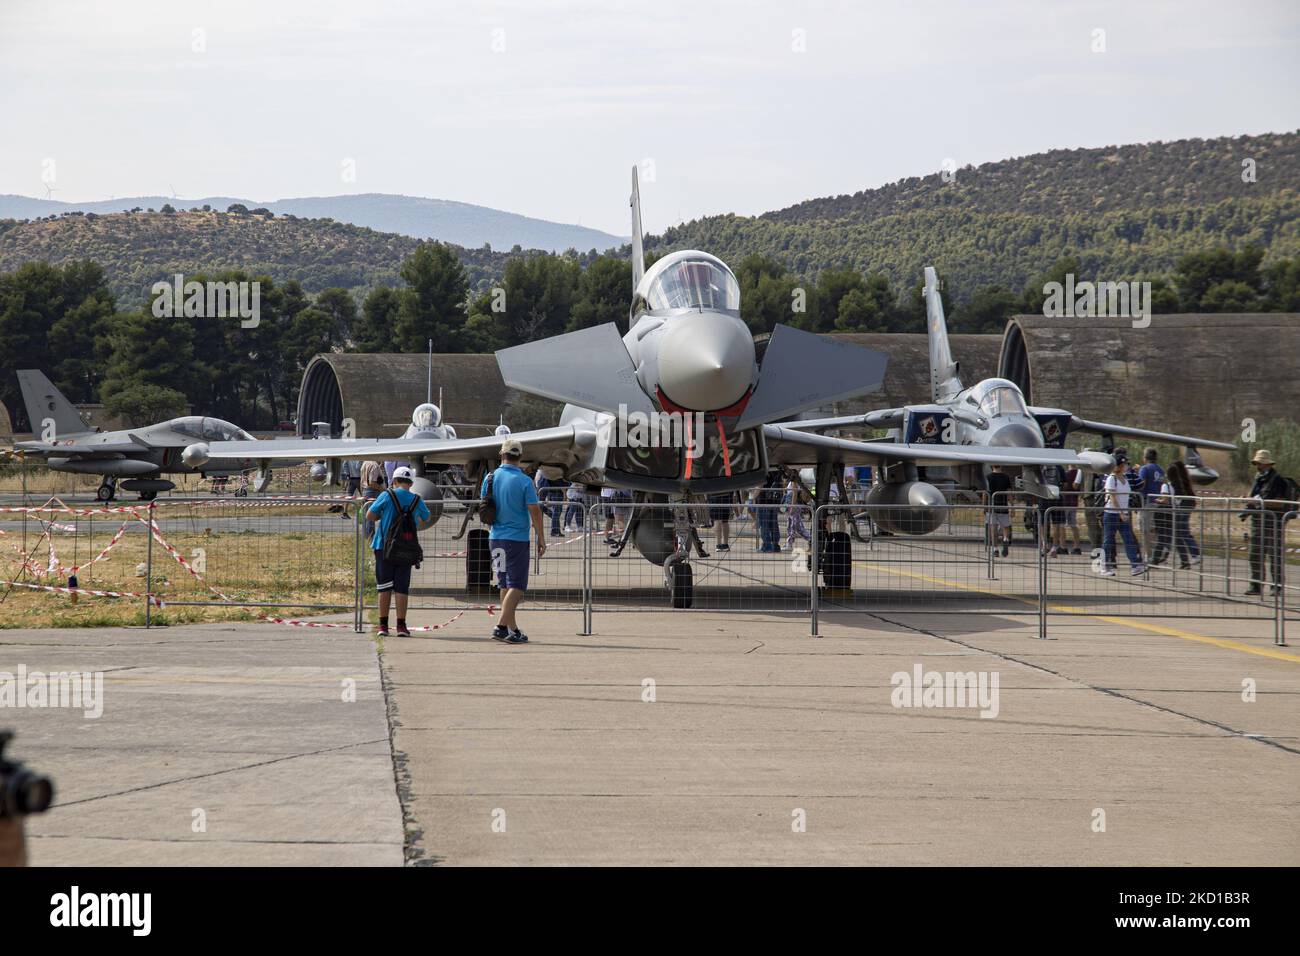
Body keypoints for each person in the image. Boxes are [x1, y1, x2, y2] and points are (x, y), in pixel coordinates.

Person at [480, 438, 546, 643]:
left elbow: (484, 504)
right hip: (516, 539)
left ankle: (512, 629)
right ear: (520, 457)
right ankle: (500, 627)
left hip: (495, 537)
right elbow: (534, 511)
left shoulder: (489, 478)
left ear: (502, 455)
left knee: (504, 584)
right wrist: (541, 537)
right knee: (517, 585)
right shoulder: (525, 481)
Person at [366, 466, 434, 637]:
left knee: (384, 587)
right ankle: (401, 626)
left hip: (383, 546)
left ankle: (383, 626)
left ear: (394, 481)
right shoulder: (416, 500)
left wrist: (384, 516)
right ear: (411, 483)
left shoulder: (386, 495)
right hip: (406, 548)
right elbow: (426, 517)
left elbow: (370, 515)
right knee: (402, 588)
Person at [1243, 449, 1289, 596]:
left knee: (1275, 555)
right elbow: (1253, 496)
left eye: (1260, 463)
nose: (1258, 466)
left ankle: (1277, 586)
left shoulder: (1279, 481)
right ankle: (1256, 586)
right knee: (1255, 554)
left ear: (1268, 464)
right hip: (1258, 522)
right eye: (1257, 463)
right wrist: (1249, 501)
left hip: (1273, 522)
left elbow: (1281, 503)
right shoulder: (1258, 479)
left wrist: (1261, 503)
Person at [1099, 451, 1146, 577]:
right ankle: (1104, 565)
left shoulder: (1125, 478)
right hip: (1111, 513)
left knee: (1128, 539)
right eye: (1125, 464)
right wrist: (1120, 513)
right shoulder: (1111, 478)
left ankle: (1135, 565)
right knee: (1108, 540)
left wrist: (1124, 512)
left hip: (1123, 513)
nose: (1127, 466)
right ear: (1119, 465)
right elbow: (1113, 498)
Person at [1158, 460, 1202, 570]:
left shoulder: (1176, 484)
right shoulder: (1183, 482)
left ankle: (1195, 553)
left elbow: (1166, 499)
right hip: (1184, 506)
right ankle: (1185, 560)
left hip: (1184, 506)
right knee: (1179, 533)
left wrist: (1158, 501)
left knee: (1182, 531)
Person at [986, 465, 1013, 557]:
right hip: (1003, 504)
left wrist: (983, 505)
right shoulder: (1006, 477)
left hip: (991, 505)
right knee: (1006, 526)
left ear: (992, 466)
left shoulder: (988, 477)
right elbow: (1009, 493)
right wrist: (1012, 506)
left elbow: (985, 492)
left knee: (993, 527)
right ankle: (1005, 539)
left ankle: (995, 549)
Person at [359, 460, 385, 542]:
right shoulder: (375, 466)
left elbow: (363, 480)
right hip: (373, 491)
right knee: (371, 515)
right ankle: (371, 537)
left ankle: (366, 536)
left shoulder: (365, 463)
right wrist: (383, 490)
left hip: (365, 490)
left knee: (366, 515)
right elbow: (372, 483)